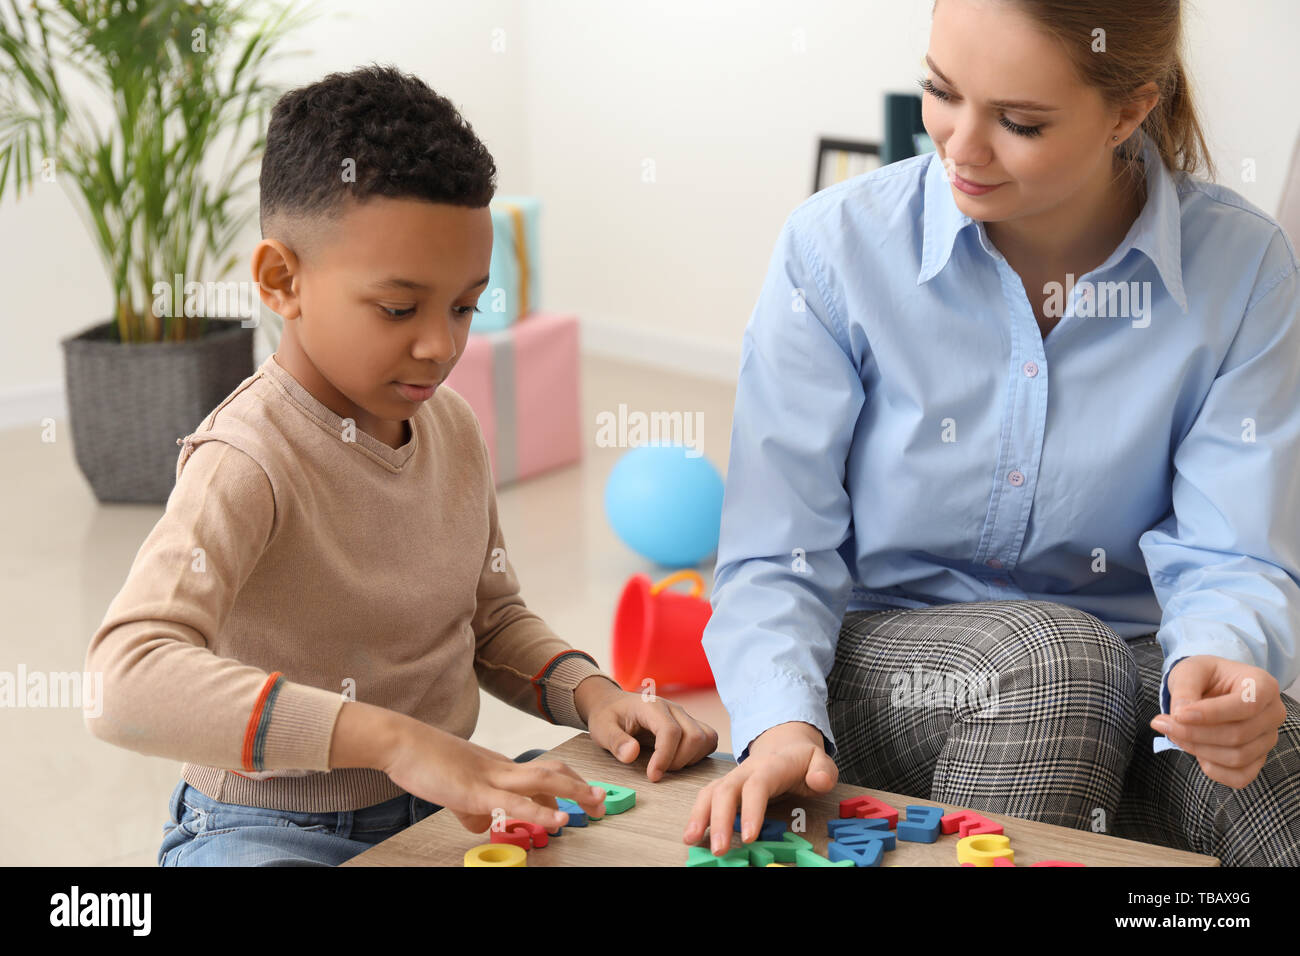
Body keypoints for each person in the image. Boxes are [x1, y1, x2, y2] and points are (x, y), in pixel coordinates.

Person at [689, 0, 1300, 866]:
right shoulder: (835, 250)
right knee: (1056, 665)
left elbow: (1236, 553)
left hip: (1133, 665)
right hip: (887, 664)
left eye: (1018, 122)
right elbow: (777, 551)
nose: (960, 148)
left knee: (1277, 786)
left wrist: (1222, 667)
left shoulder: (1243, 270)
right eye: (941, 91)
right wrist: (779, 727)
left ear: (1128, 110)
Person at [83, 64, 717, 867]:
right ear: (283, 280)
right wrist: (392, 741)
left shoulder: (447, 422)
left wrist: (594, 694)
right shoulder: (244, 459)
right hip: (266, 833)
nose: (442, 346)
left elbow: (489, 620)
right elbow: (123, 681)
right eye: (398, 308)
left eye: (463, 306)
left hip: (447, 807)